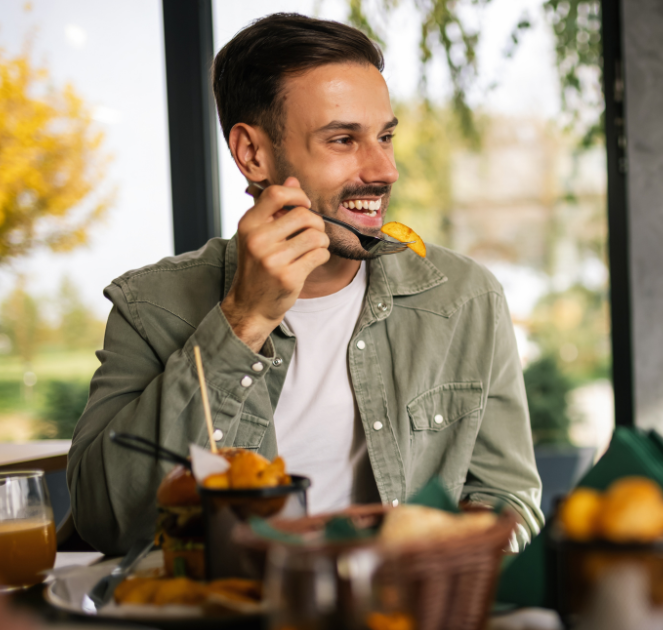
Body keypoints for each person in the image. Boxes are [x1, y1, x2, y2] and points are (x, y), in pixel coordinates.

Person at [67, 13, 543, 554]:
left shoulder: (465, 297)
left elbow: (508, 496)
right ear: (254, 155)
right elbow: (106, 519)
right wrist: (241, 322)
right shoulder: (148, 306)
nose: (384, 168)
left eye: (385, 137)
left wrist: (446, 557)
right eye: (343, 140)